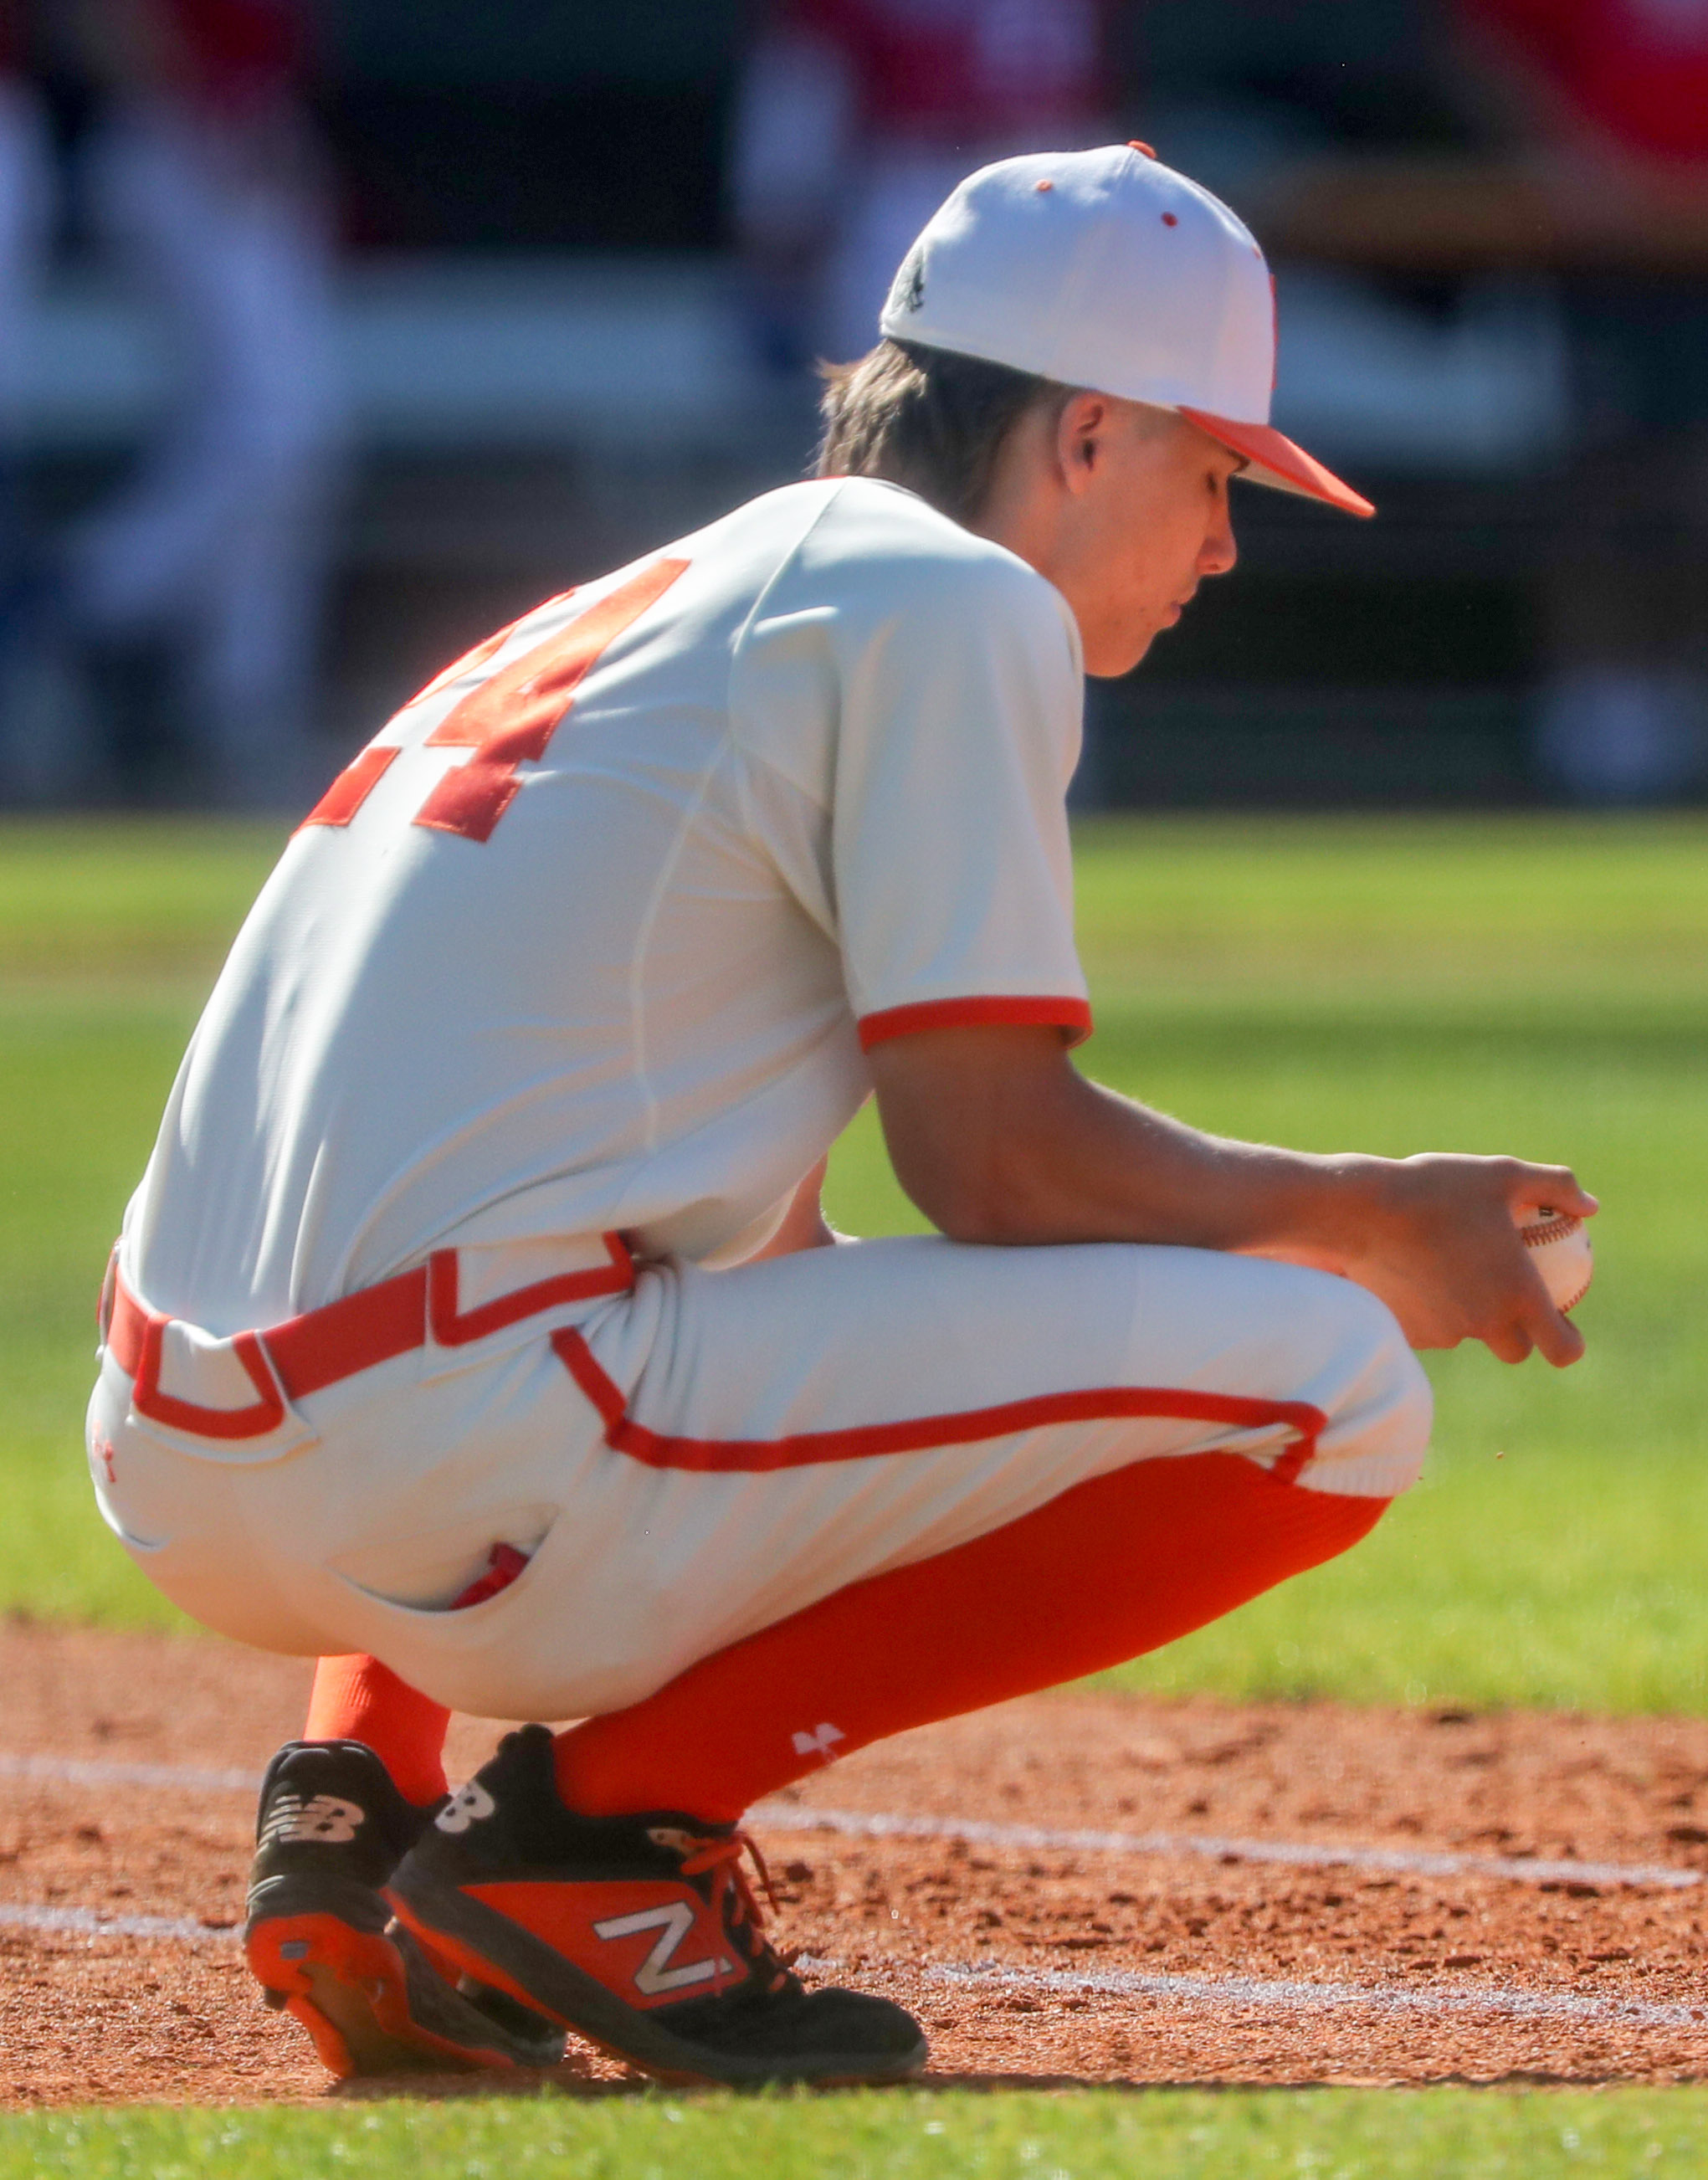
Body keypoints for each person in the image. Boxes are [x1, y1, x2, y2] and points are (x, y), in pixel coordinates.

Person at [87, 146, 1593, 2089]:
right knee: (1323, 1385)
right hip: (442, 1435)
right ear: (1083, 435)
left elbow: (690, 1205)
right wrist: (1366, 1219)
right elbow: (986, 1160)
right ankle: (596, 1845)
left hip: (179, 1448)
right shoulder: (952, 604)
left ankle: (352, 1808)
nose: (1223, 540)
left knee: (662, 1257)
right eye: (1212, 472)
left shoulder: (664, 594)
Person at [51, 0, 344, 806]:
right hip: (170, 135)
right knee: (276, 428)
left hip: (250, 128)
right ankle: (74, 602)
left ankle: (236, 700)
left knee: (298, 436)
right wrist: (202, 120)